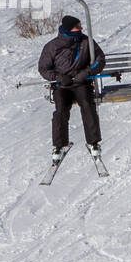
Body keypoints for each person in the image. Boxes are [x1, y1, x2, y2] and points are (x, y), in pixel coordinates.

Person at [38, 14, 105, 162]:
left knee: (87, 105)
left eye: (81, 25)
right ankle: (60, 145)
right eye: (77, 26)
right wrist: (57, 77)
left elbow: (100, 59)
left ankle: (93, 143)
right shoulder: (52, 47)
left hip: (81, 83)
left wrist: (86, 73)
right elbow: (43, 68)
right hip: (62, 85)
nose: (81, 28)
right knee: (61, 109)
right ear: (69, 29)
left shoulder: (86, 42)